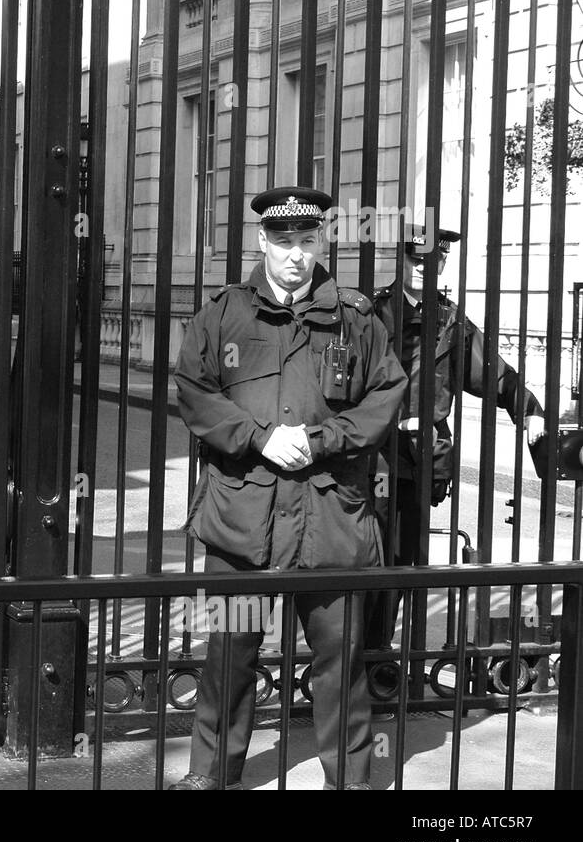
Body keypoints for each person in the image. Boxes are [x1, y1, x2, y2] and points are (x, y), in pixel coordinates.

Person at [172, 186, 407, 790]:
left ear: (321, 240)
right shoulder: (225, 313)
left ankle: (350, 780)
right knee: (228, 655)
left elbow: (387, 393)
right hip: (242, 517)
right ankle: (209, 774)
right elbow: (194, 389)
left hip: (330, 516)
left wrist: (325, 440)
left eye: (307, 240)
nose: (296, 255)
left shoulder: (355, 317)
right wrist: (258, 436)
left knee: (341, 659)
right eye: (284, 242)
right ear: (262, 242)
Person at [365, 224, 547, 653]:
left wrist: (530, 410)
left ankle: (383, 659)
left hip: (421, 459)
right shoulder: (369, 314)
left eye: (437, 260)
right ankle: (359, 657)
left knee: (404, 563)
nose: (427, 268)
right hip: (371, 457)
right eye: (417, 260)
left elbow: (493, 373)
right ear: (401, 260)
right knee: (366, 560)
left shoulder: (448, 318)